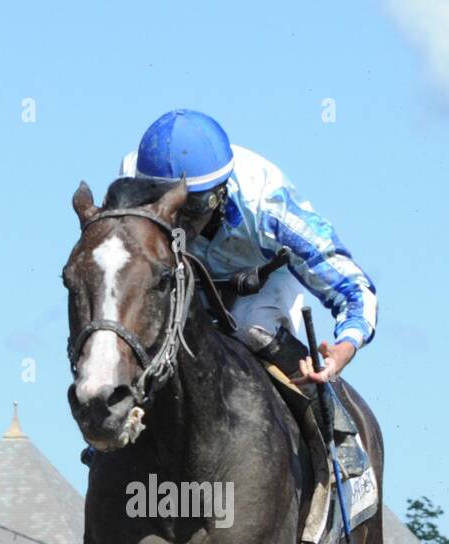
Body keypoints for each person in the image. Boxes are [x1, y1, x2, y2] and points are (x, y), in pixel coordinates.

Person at [119, 109, 377, 386]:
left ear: (220, 193)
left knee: (253, 326)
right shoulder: (131, 184)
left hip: (260, 280)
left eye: (192, 206)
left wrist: (344, 348)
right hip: (180, 277)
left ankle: (330, 416)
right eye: (163, 204)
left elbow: (353, 289)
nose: (178, 222)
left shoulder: (269, 210)